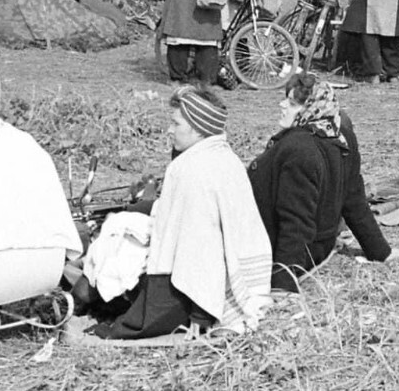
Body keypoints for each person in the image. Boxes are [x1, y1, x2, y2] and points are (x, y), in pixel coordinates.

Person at [83, 86, 273, 338]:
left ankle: (80, 299)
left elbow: (201, 247)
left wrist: (200, 312)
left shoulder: (191, 170)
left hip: (197, 292)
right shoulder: (225, 157)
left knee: (105, 266)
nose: (169, 130)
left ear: (197, 127)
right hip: (243, 277)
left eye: (176, 123)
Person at [247, 74, 399, 292]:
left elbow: (297, 222)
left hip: (279, 246)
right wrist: (380, 251)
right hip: (318, 246)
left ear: (310, 109)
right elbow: (353, 198)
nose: (282, 106)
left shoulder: (299, 149)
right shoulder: (341, 133)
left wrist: (283, 283)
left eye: (291, 103)